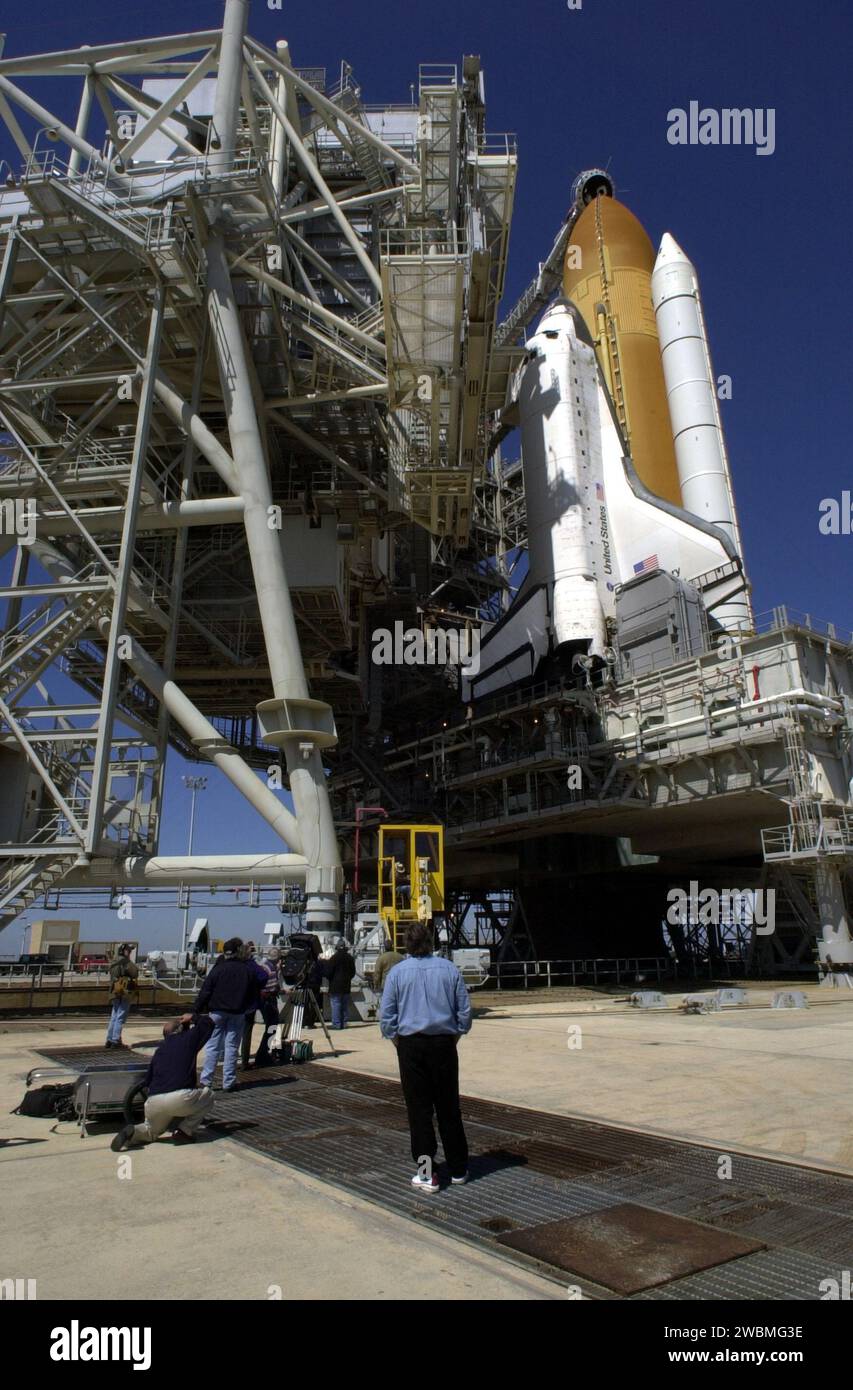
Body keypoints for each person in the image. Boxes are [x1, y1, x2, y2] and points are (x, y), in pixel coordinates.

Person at [380, 922, 471, 1193]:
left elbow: (386, 1017)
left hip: (411, 1047)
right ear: (430, 941)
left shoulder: (397, 973)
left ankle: (426, 1173)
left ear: (406, 944)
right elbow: (464, 1014)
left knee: (419, 1112)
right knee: (449, 1108)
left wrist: (398, 1041)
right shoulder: (449, 969)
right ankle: (458, 1168)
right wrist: (452, 1037)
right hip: (444, 1045)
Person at [111, 1013, 215, 1151]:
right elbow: (208, 1024)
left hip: (154, 1100)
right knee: (209, 1097)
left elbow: (148, 1080)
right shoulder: (188, 1038)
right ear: (182, 1029)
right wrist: (192, 1017)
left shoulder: (159, 1051)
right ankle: (184, 1131)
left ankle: (133, 1132)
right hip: (180, 1097)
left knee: (151, 1131)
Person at [197, 938, 257, 1091]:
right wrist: (247, 1008)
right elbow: (253, 991)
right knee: (232, 1047)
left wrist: (195, 1010)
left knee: (212, 1047)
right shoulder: (247, 969)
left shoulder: (218, 969)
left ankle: (206, 1081)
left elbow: (206, 990)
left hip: (217, 1012)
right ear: (238, 951)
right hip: (238, 1013)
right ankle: (228, 1082)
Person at [240, 944, 274, 1071]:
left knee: (239, 1033)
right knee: (272, 1025)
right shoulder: (253, 965)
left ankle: (241, 1060)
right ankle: (263, 1053)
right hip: (255, 1001)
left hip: (238, 1003)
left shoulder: (236, 965)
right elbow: (263, 977)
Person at [253, 947, 282, 1067]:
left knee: (270, 1027)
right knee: (272, 1026)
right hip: (268, 1001)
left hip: (262, 999)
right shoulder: (272, 969)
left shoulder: (263, 966)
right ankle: (263, 1054)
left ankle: (263, 1054)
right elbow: (273, 988)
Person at [105, 944, 139, 1048]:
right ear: (124, 951)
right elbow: (135, 973)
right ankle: (116, 1040)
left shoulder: (114, 961)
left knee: (114, 1016)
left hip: (114, 991)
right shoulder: (125, 962)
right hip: (124, 992)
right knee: (120, 1017)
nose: (130, 952)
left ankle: (109, 1039)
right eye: (128, 951)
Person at [324, 937, 356, 1029]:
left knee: (336, 1005)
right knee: (344, 1005)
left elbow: (328, 972)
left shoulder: (334, 958)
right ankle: (344, 1023)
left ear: (337, 947)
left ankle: (336, 1024)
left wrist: (330, 979)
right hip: (346, 985)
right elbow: (353, 972)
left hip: (335, 986)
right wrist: (347, 978)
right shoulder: (350, 958)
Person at [373, 937, 404, 1014]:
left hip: (386, 985)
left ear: (384, 947)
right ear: (392, 946)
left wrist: (376, 984)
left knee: (387, 1005)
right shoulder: (400, 957)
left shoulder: (381, 958)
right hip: (399, 984)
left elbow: (377, 972)